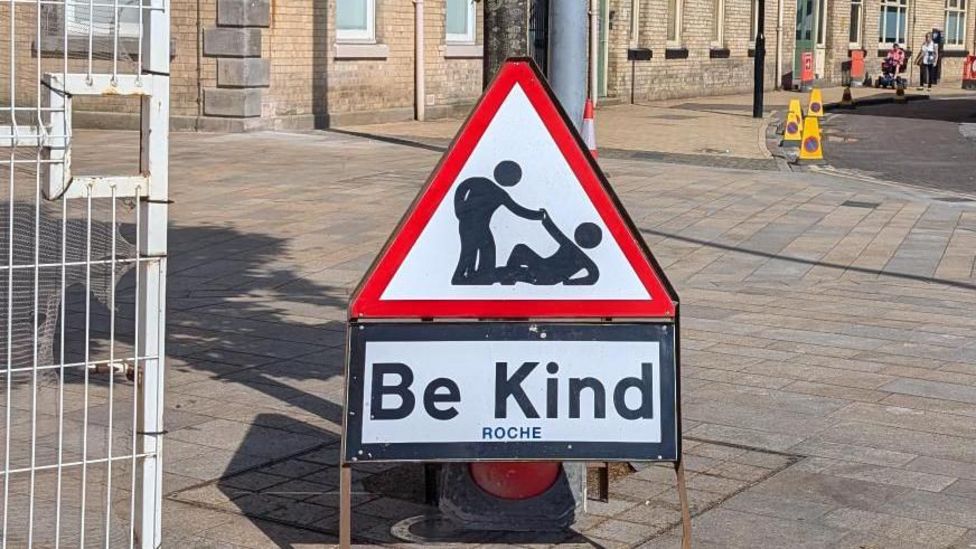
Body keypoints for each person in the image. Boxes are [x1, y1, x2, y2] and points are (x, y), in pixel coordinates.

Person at [452, 160, 545, 285]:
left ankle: (479, 275)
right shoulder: (480, 183)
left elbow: (518, 210)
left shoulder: (499, 193)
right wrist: (459, 210)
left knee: (487, 251)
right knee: (469, 250)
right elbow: (461, 189)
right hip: (468, 225)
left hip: (481, 227)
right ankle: (459, 277)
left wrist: (539, 215)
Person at [499, 214, 602, 286]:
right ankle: (510, 276)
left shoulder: (580, 256)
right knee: (521, 249)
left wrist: (570, 282)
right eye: (582, 232)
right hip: (543, 269)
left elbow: (594, 276)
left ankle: (509, 277)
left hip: (545, 274)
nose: (581, 235)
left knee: (520, 249)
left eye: (586, 234)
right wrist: (545, 219)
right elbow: (556, 232)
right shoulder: (571, 246)